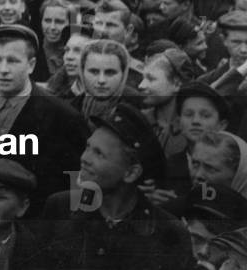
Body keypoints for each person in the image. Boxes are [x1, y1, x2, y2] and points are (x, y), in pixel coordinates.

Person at [40, 103, 195, 270]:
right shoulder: (60, 208)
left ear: (131, 173)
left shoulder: (168, 232)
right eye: (88, 147)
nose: (85, 158)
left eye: (99, 153)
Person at [0, 24, 88, 213]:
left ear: (31, 65)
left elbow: (77, 184)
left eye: (12, 61)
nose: (3, 69)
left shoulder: (63, 117)